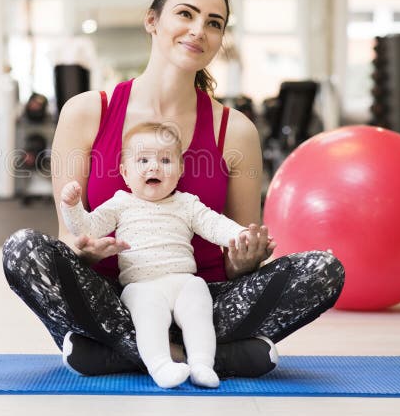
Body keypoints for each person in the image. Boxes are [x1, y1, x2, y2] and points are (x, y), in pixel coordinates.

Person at [2, 0, 345, 380]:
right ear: (152, 20)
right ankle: (205, 356)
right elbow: (68, 237)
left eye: (214, 23)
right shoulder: (85, 112)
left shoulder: (235, 130)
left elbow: (237, 252)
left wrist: (243, 261)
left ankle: (118, 354)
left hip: (203, 300)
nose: (199, 30)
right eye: (186, 14)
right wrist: (84, 250)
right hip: (112, 300)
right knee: (23, 250)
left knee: (324, 269)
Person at [60, 121, 276, 388]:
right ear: (125, 173)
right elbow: (87, 228)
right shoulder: (120, 203)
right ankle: (160, 366)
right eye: (143, 160)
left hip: (182, 280)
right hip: (141, 285)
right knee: (148, 315)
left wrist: (244, 236)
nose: (154, 167)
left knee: (198, 302)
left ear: (180, 170)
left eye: (165, 160)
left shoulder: (186, 203)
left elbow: (216, 225)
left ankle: (202, 363)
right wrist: (72, 207)